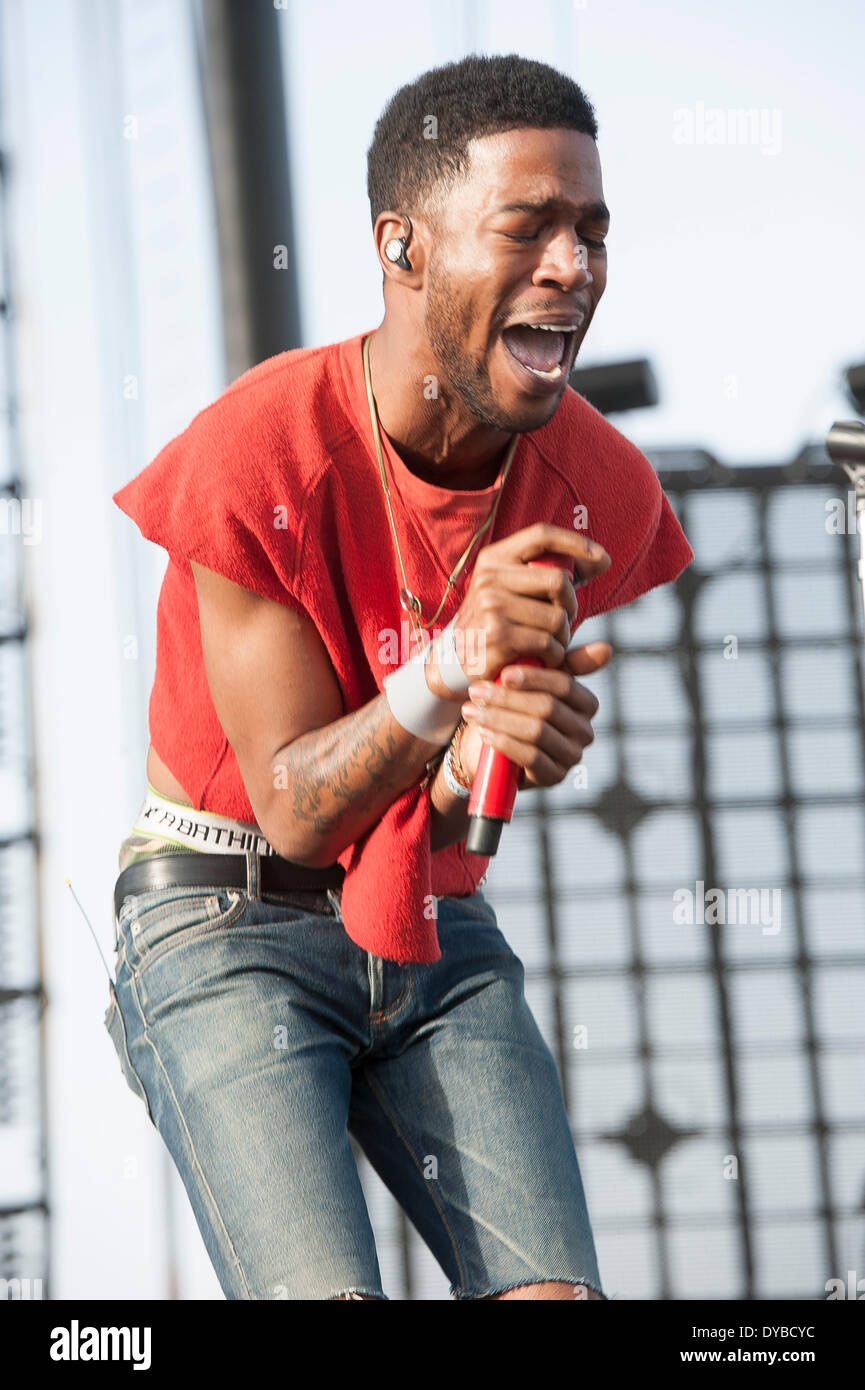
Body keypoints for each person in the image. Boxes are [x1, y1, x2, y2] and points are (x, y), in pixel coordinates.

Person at [108, 52, 693, 1300]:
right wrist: (450, 670)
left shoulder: (599, 481)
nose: (572, 267)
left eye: (590, 231)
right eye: (526, 228)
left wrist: (517, 733)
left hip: (428, 918)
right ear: (404, 248)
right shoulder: (257, 448)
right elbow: (301, 808)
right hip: (225, 922)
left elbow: (428, 810)